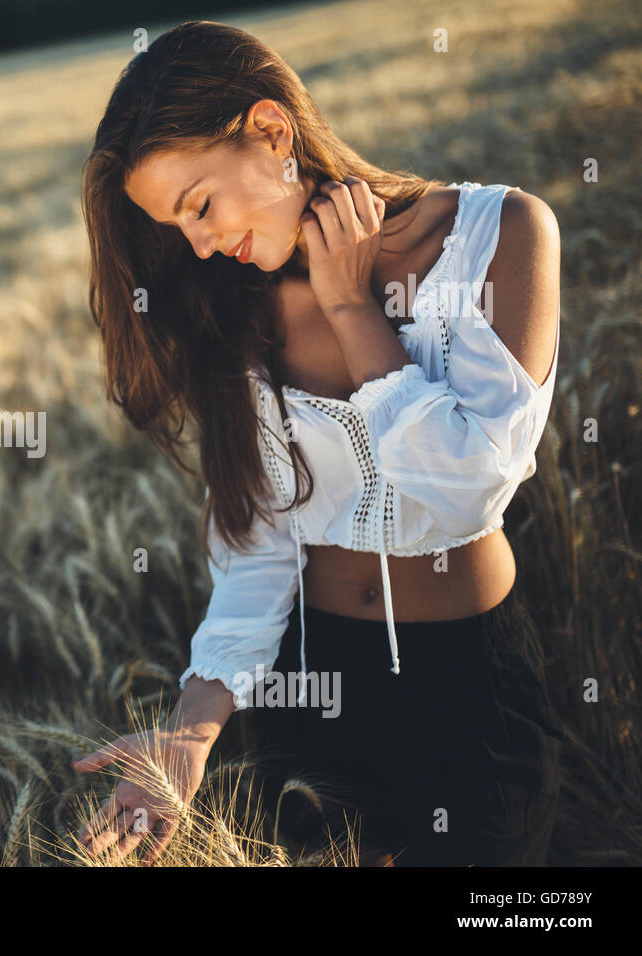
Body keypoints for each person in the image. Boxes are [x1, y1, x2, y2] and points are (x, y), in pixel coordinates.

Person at [70, 20, 565, 866]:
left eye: (200, 205)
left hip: (475, 686)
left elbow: (470, 489)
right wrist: (190, 734)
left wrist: (351, 310)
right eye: (175, 225)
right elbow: (258, 543)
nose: (197, 243)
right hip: (315, 685)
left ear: (271, 132)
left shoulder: (501, 232)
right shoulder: (233, 305)